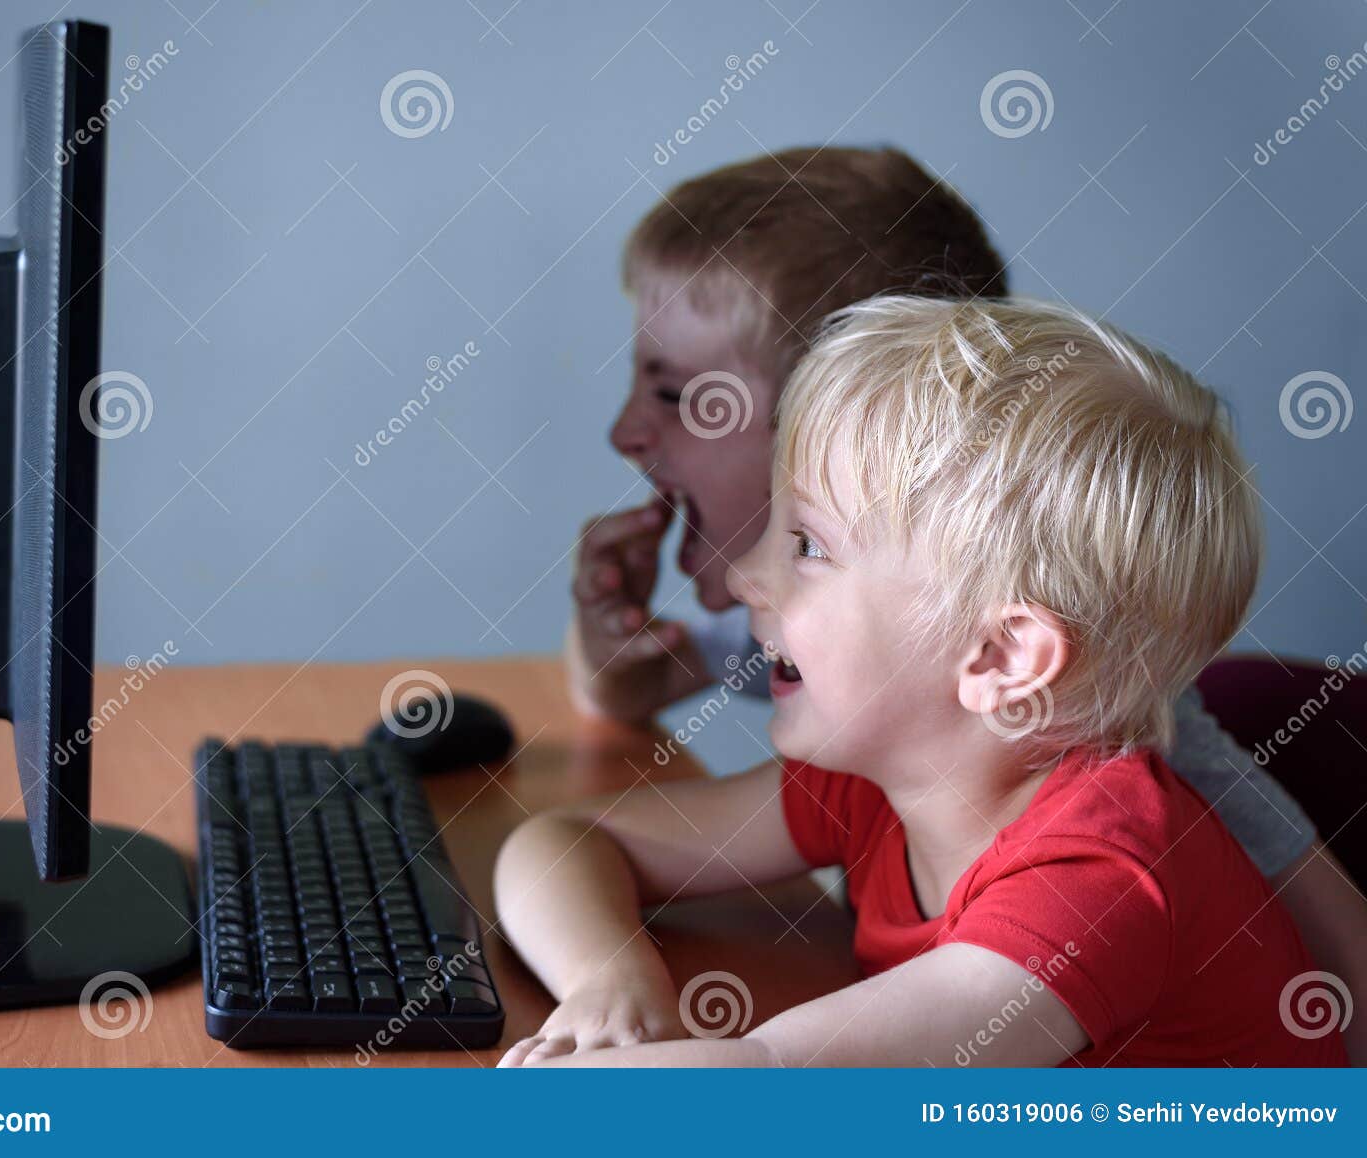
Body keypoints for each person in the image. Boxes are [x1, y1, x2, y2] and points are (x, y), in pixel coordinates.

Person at [565, 148, 1365, 1060]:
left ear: (1002, 657)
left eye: (808, 545)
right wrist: (608, 975)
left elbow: (770, 1080)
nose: (753, 578)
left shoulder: (1102, 858)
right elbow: (571, 829)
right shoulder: (889, 752)